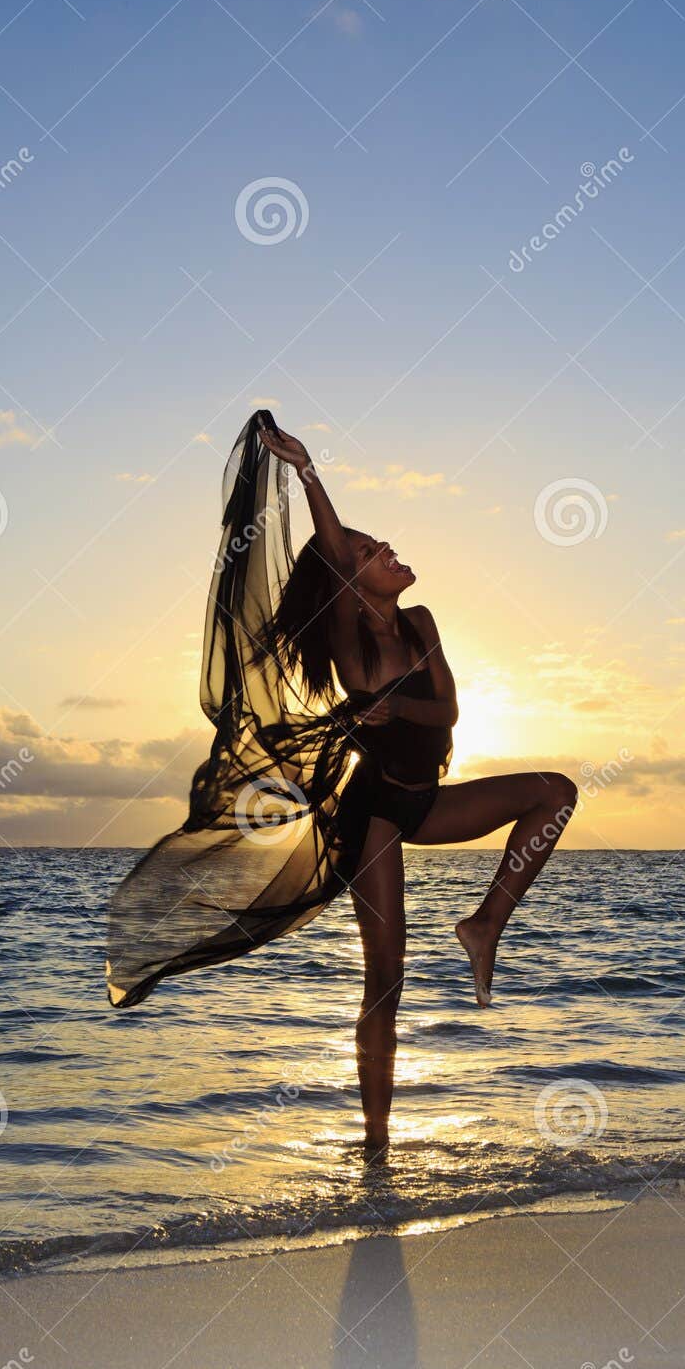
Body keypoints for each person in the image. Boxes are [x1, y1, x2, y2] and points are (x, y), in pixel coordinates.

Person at [257, 423, 578, 1153]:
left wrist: (398, 707)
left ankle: (484, 924)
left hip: (425, 798)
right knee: (386, 978)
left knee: (553, 792)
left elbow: (449, 711)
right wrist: (308, 472)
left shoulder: (421, 622)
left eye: (382, 546)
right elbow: (333, 554)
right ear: (348, 577)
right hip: (371, 811)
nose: (386, 554)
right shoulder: (348, 636)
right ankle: (375, 1143)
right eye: (371, 554)